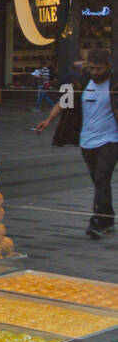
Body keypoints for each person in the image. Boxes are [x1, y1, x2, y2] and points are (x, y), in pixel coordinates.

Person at [35, 48, 118, 238]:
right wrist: (48, 120)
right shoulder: (79, 82)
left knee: (101, 179)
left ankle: (97, 221)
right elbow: (63, 101)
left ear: (108, 66)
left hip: (111, 139)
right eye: (93, 68)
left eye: (99, 69)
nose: (96, 72)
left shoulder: (115, 83)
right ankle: (108, 217)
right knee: (99, 182)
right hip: (87, 139)